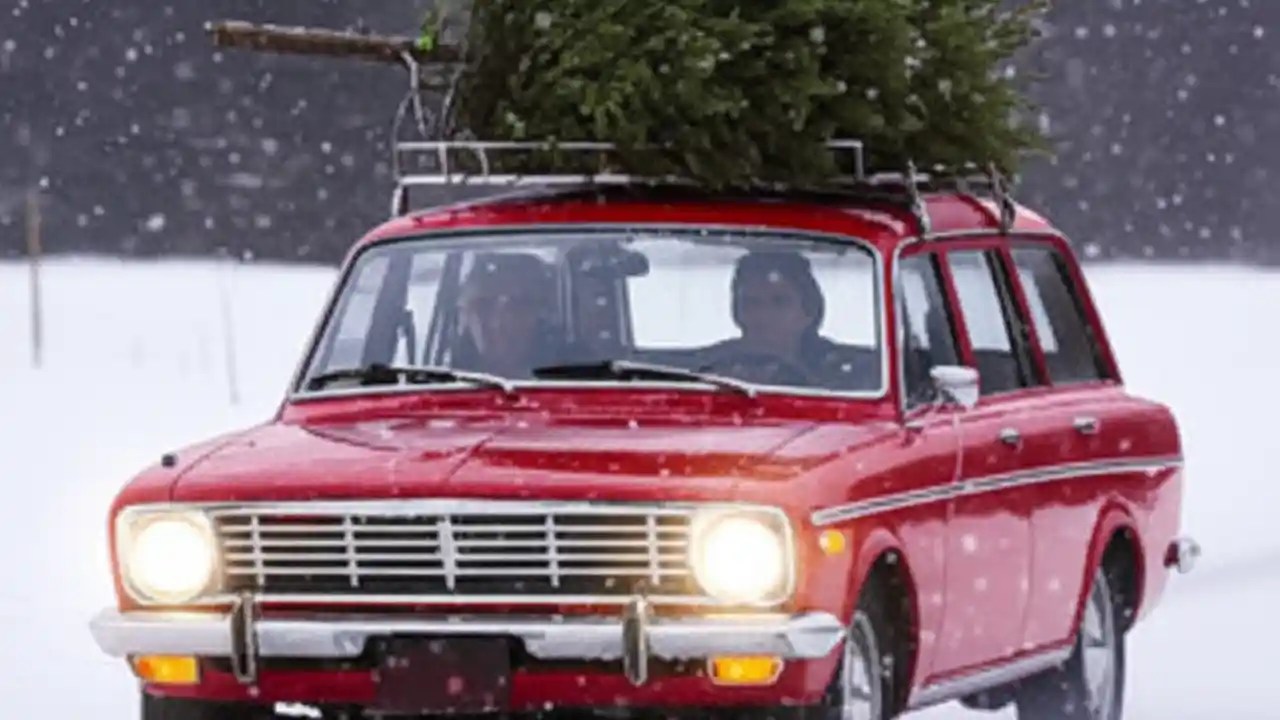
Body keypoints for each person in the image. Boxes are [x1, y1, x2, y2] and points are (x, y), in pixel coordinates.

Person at [702, 249, 874, 388]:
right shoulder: (707, 370)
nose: (763, 314)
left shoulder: (851, 376)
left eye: (780, 302)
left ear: (809, 311)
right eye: (751, 302)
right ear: (737, 312)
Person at [451, 252, 564, 377]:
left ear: (539, 314)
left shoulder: (573, 373)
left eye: (517, 307)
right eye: (484, 306)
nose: (497, 323)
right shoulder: (441, 377)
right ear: (465, 315)